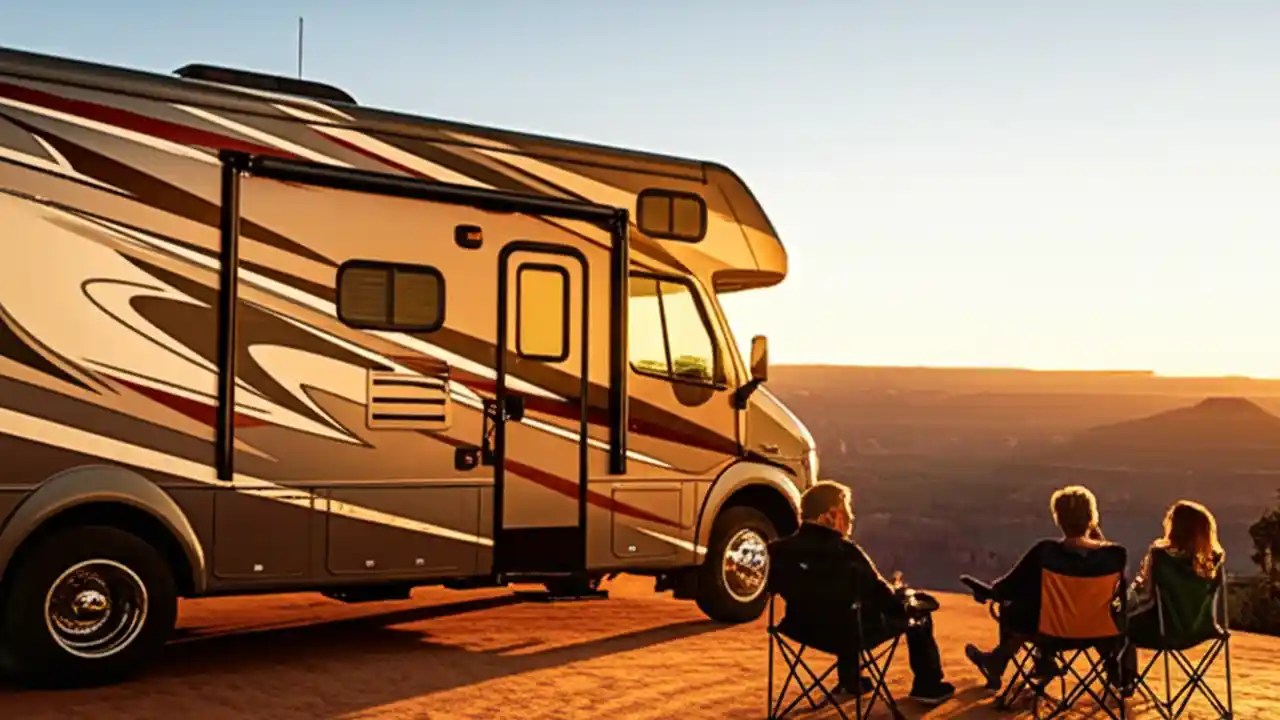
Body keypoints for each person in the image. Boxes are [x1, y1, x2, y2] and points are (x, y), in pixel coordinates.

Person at [768, 480, 956, 706]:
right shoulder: (846, 553)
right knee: (918, 614)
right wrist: (908, 598)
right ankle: (928, 686)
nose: (850, 518)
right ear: (830, 515)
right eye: (846, 511)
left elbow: (771, 587)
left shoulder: (777, 550)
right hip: (848, 634)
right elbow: (886, 601)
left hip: (801, 628)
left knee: (844, 611)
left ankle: (851, 681)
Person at [963, 484, 1116, 689]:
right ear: (1092, 516)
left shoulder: (1046, 552)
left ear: (1058, 519)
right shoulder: (1113, 555)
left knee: (1012, 604)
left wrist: (992, 592)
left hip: (1052, 633)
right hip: (1097, 634)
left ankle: (1003, 661)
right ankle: (1041, 660)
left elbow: (1010, 586)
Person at [1118, 500, 1225, 679]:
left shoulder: (1160, 557)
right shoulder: (1213, 562)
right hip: (1203, 630)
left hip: (1164, 631)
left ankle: (1125, 679)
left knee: (1120, 625)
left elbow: (1147, 596)